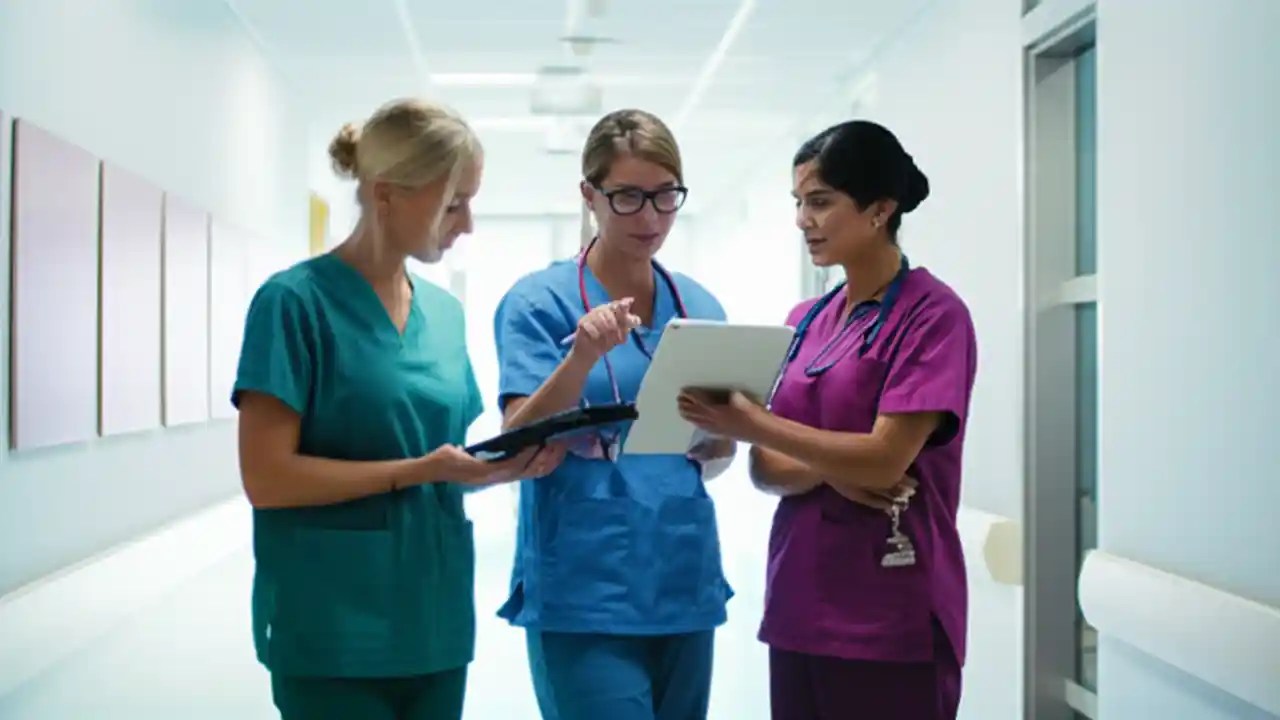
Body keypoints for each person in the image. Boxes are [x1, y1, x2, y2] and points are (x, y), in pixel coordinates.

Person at [232, 98, 561, 720]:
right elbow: (267, 479)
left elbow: (444, 462)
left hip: (433, 622)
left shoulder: (444, 314)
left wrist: (501, 468)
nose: (467, 225)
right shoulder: (292, 304)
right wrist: (416, 471)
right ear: (386, 195)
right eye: (453, 203)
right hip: (331, 629)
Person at [678, 120, 977, 720]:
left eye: (820, 202)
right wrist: (834, 466)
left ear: (879, 209)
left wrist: (755, 424)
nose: (802, 220)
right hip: (799, 603)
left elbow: (887, 459)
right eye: (798, 203)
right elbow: (767, 470)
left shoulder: (934, 316)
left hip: (891, 613)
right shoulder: (806, 321)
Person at [492, 108, 736, 720]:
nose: (650, 217)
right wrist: (581, 357)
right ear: (589, 196)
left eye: (664, 196)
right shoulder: (537, 302)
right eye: (627, 196)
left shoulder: (698, 304)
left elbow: (719, 451)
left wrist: (719, 439)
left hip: (682, 574)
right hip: (585, 586)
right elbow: (515, 440)